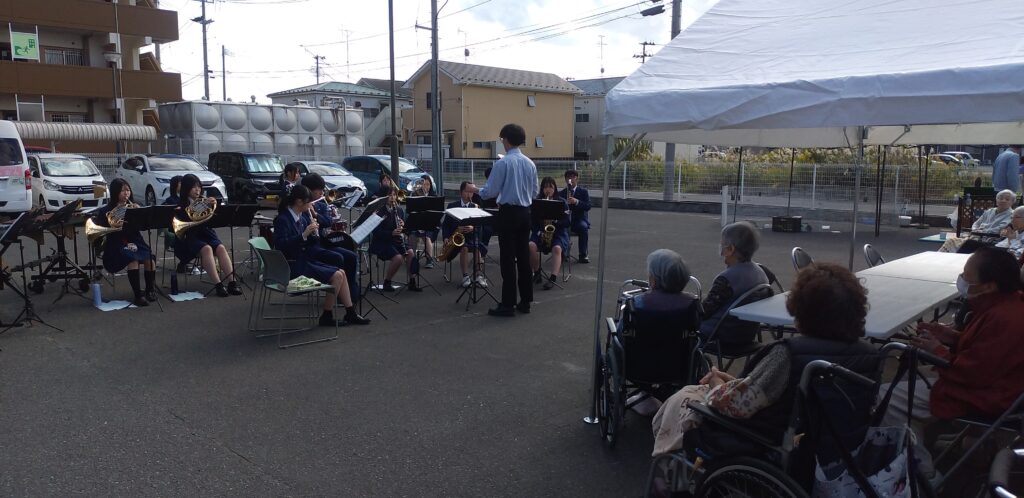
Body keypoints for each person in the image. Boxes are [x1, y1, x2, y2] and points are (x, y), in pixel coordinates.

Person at [652, 263, 880, 459]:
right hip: (830, 447)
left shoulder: (789, 355)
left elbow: (736, 406)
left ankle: (667, 476)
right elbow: (770, 388)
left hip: (764, 441)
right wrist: (734, 381)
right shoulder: (869, 355)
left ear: (803, 310)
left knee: (685, 397)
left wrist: (715, 383)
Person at [881, 247, 1024, 427]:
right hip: (1000, 385)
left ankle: (912, 454)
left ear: (989, 285)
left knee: (887, 396)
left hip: (990, 395)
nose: (962, 279)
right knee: (906, 376)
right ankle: (914, 440)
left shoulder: (1004, 318)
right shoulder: (1008, 303)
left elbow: (974, 372)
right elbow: (988, 350)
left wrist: (937, 350)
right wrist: (953, 337)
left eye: (966, 275)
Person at [466, 123, 538, 316]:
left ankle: (507, 304)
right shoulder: (530, 163)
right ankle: (526, 302)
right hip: (525, 213)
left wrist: (474, 190)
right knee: (523, 258)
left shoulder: (503, 163)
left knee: (507, 259)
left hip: (508, 213)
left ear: (506, 139)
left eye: (502, 139)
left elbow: (491, 191)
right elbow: (535, 192)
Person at [273, 185, 369, 326]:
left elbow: (309, 242)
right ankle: (327, 316)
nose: (310, 206)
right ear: (299, 202)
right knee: (337, 275)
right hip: (292, 266)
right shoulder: (283, 219)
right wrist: (304, 235)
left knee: (341, 272)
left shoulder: (301, 217)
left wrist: (313, 233)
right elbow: (281, 245)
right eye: (308, 202)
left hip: (303, 260)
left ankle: (350, 313)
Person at [625, 249, 702, 416]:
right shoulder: (691, 303)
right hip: (679, 366)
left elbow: (621, 333)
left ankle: (645, 396)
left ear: (652, 280)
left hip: (638, 366)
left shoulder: (636, 303)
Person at [699, 222, 771, 345]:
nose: (720, 248)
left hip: (719, 335)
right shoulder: (761, 273)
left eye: (722, 245)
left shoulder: (727, 279)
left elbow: (703, 313)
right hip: (747, 335)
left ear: (730, 249)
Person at [173, 174, 242, 297]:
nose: (197, 190)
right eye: (193, 187)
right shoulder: (180, 205)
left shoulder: (203, 201)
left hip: (206, 233)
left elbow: (211, 220)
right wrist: (203, 206)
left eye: (198, 187)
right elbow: (184, 220)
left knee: (220, 248)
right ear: (186, 189)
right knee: (207, 249)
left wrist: (214, 206)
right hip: (190, 237)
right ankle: (218, 285)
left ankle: (232, 282)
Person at [93, 178, 157, 307]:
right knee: (132, 259)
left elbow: (142, 226)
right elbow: (102, 230)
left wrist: (139, 213)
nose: (126, 193)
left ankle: (150, 290)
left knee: (150, 259)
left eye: (127, 190)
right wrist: (118, 212)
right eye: (122, 191)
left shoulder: (133, 206)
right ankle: (138, 295)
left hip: (135, 240)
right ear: (115, 192)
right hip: (115, 244)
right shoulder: (105, 210)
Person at [300, 173, 360, 305]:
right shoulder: (301, 206)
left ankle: (351, 292)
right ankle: (338, 294)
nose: (322, 193)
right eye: (319, 191)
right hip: (312, 246)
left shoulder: (320, 204)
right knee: (337, 257)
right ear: (309, 191)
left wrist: (315, 214)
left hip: (323, 242)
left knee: (351, 256)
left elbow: (328, 221)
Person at [368, 186, 421, 292]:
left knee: (410, 252)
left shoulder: (399, 210)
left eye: (394, 195)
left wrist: (403, 225)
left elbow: (405, 230)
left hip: (396, 240)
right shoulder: (379, 212)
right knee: (398, 258)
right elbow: (376, 232)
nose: (392, 197)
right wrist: (391, 233)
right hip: (382, 242)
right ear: (384, 197)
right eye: (390, 195)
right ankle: (387, 282)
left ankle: (412, 281)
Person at [441, 181, 488, 288]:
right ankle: (465, 276)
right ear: (461, 192)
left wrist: (473, 227)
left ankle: (478, 275)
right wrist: (446, 237)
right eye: (468, 191)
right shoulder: (452, 206)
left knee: (477, 248)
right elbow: (446, 225)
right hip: (456, 239)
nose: (470, 194)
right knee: (465, 248)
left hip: (472, 237)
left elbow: (481, 225)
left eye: (472, 192)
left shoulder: (475, 206)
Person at [939, 189, 1015, 253]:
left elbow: (999, 229)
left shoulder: (1012, 215)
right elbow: (976, 223)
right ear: (996, 200)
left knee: (961, 243)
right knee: (951, 241)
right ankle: (938, 260)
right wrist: (975, 229)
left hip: (992, 241)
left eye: (1007, 199)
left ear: (1012, 202)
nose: (1003, 200)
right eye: (1000, 198)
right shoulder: (990, 211)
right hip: (977, 237)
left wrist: (982, 231)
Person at [529, 177, 570, 290]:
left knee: (557, 248)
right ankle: (537, 273)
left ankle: (552, 278)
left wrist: (556, 221)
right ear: (542, 189)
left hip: (558, 233)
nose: (548, 190)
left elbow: (567, 222)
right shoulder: (536, 203)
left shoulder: (561, 202)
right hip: (540, 232)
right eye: (545, 187)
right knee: (531, 246)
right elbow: (532, 222)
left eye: (550, 187)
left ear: (555, 188)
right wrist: (538, 233)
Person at [407, 174, 438, 269]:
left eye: (428, 184)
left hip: (430, 222)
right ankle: (412, 258)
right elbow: (410, 210)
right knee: (412, 235)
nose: (426, 187)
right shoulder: (415, 194)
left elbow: (436, 213)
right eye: (423, 184)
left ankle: (429, 259)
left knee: (427, 237)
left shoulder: (434, 196)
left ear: (431, 185)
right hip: (417, 221)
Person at [560, 169, 591, 263]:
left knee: (583, 227)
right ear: (565, 179)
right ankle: (564, 253)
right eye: (568, 177)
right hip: (566, 220)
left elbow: (588, 206)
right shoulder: (562, 193)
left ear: (576, 178)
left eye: (573, 177)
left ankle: (583, 254)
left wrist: (576, 202)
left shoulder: (583, 192)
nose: (570, 179)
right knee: (561, 227)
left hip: (578, 220)